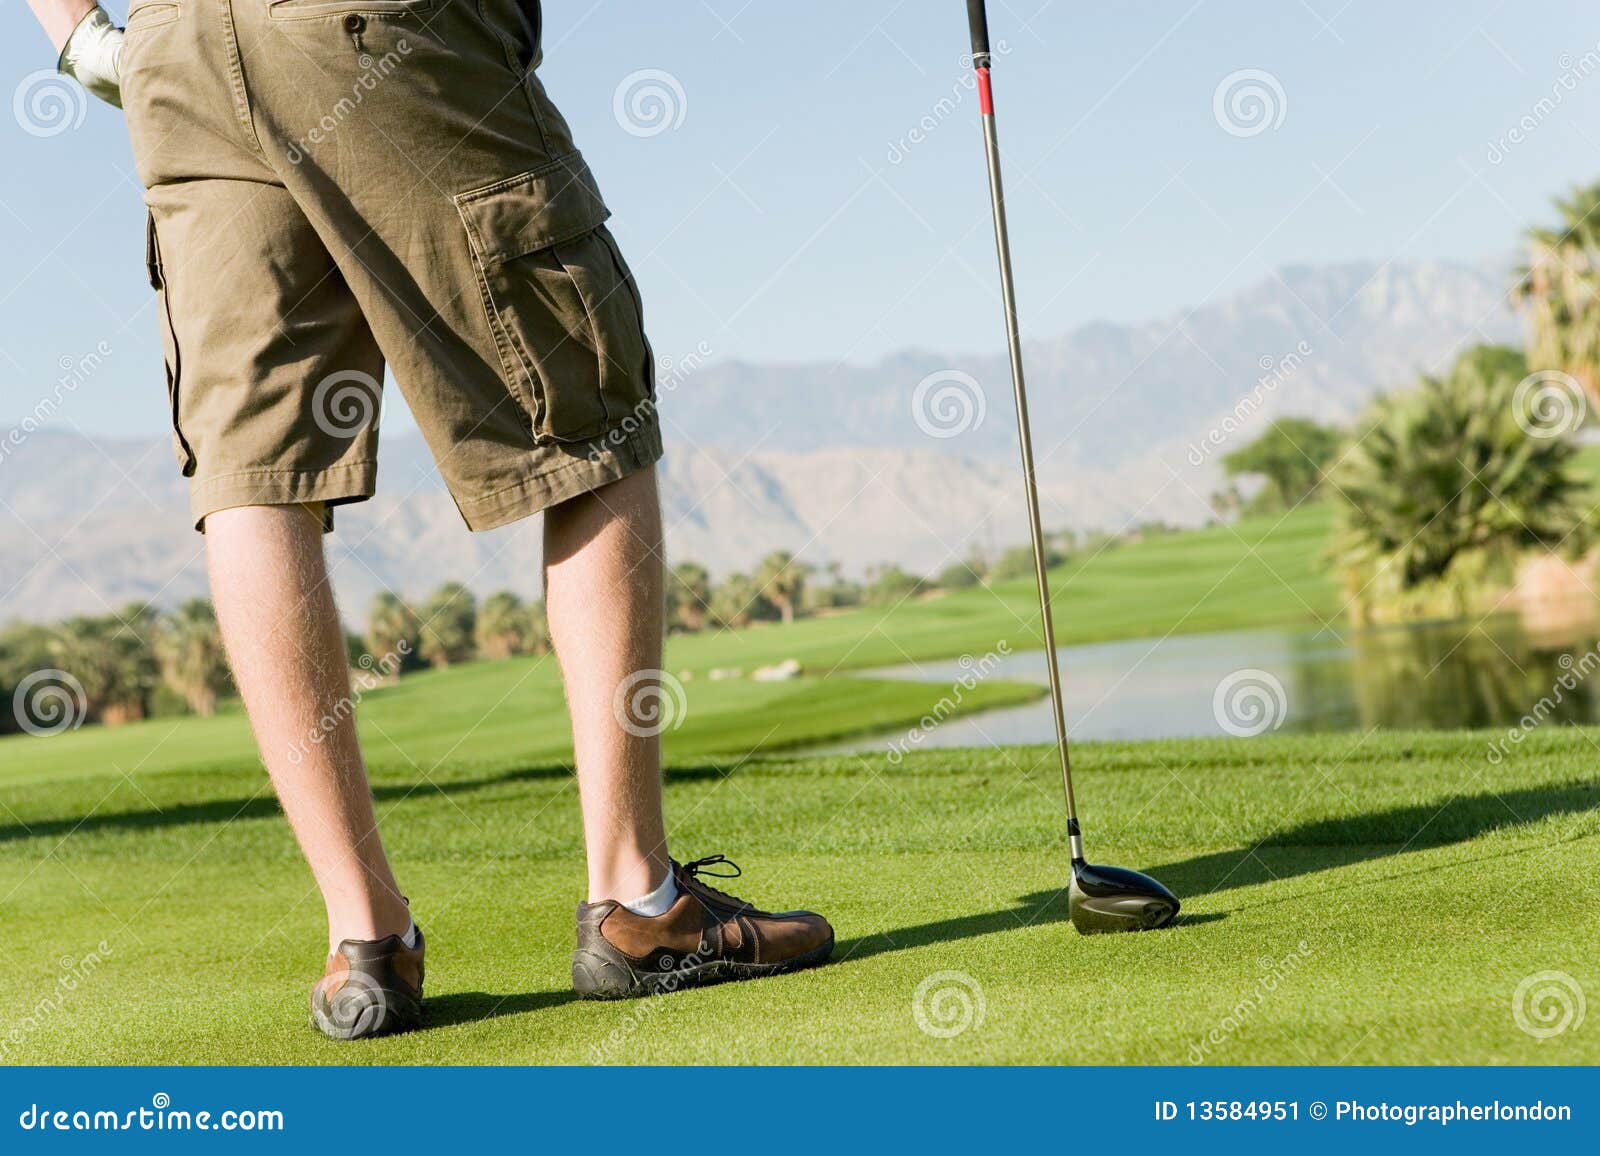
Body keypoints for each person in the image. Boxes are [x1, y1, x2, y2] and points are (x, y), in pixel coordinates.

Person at [28, 0, 832, 1040]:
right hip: (373, 25)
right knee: (585, 414)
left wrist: (81, 38)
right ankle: (639, 906)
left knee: (254, 472)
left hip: (178, 46)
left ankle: (366, 938)